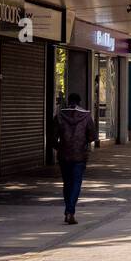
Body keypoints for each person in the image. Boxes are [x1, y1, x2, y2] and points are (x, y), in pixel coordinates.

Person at [49, 92, 97, 225]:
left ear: (68, 101)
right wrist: (84, 142)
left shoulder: (59, 116)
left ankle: (68, 211)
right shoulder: (86, 116)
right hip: (80, 155)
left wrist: (61, 147)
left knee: (67, 183)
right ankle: (70, 211)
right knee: (76, 183)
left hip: (64, 156)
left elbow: (52, 139)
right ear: (79, 102)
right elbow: (93, 136)